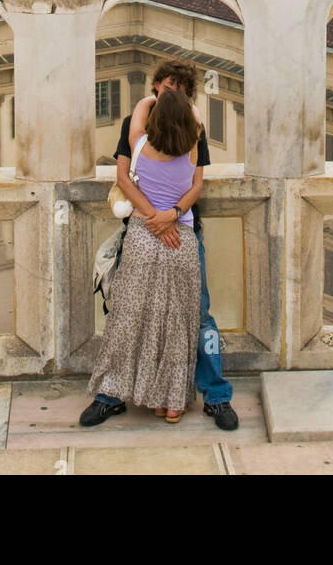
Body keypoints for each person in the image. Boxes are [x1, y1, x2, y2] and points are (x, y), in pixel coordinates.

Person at [80, 61, 240, 431]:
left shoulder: (187, 130)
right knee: (130, 312)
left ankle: (216, 395)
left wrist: (168, 214)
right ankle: (112, 394)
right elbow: (128, 176)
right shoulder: (143, 129)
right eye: (169, 89)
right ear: (155, 87)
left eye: (181, 92)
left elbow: (194, 185)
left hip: (171, 227)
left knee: (197, 316)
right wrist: (160, 216)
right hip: (154, 226)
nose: (174, 96)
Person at [85, 87, 202, 422]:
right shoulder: (193, 148)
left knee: (133, 319)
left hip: (142, 235)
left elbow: (124, 170)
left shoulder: (138, 143)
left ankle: (141, 393)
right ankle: (172, 402)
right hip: (180, 239)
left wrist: (155, 98)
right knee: (178, 323)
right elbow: (197, 185)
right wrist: (170, 216)